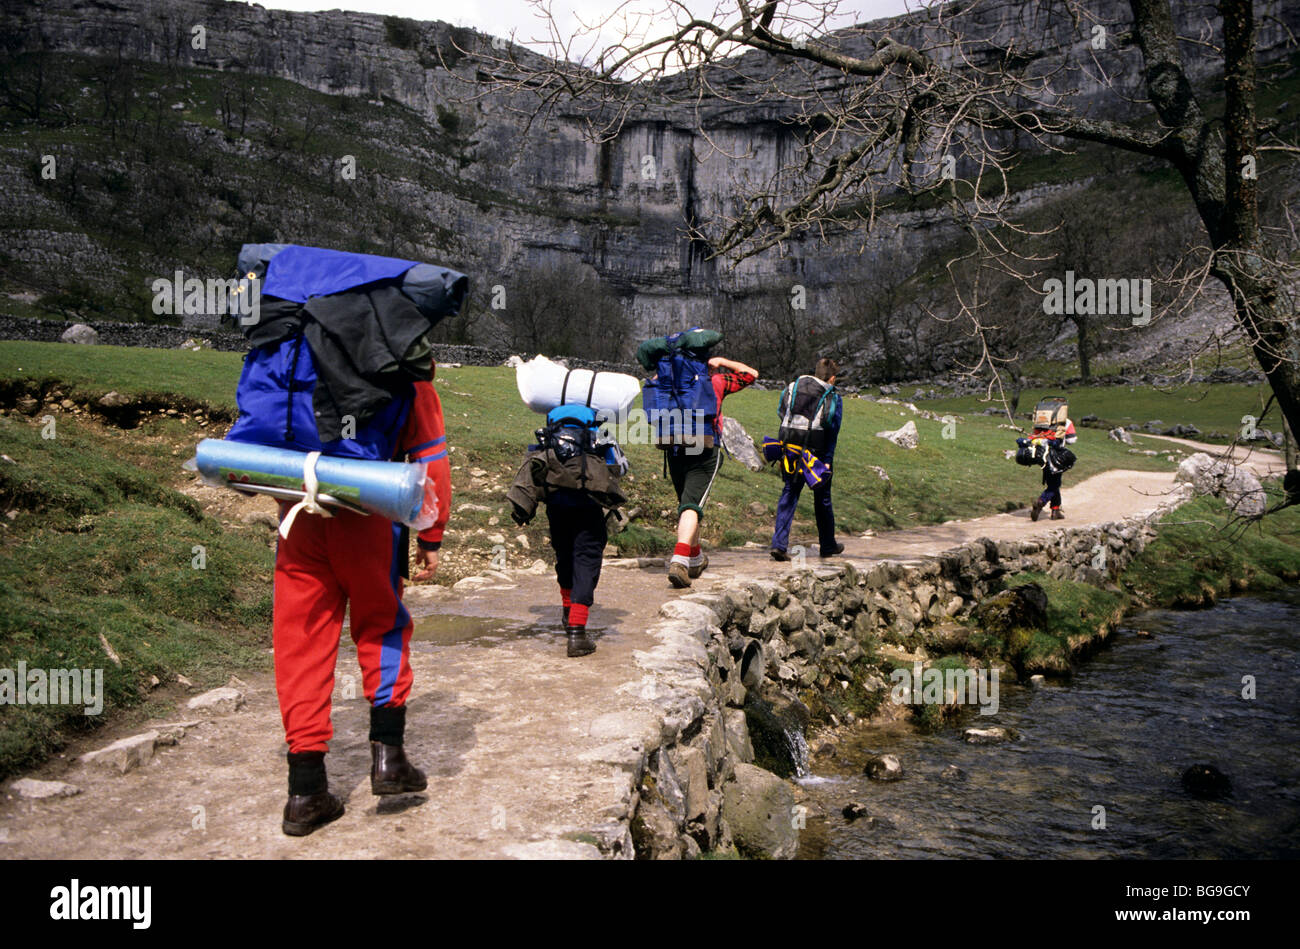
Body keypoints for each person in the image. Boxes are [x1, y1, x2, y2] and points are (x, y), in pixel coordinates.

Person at [273, 371, 451, 837]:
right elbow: (432, 457)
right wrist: (431, 534)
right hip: (371, 511)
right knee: (382, 626)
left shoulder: (295, 354)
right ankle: (389, 759)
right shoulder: (403, 366)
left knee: (300, 642)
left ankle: (305, 790)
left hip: (300, 513)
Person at [507, 404, 628, 657]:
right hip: (588, 506)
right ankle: (577, 631)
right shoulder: (600, 435)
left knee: (565, 558)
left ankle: (566, 612)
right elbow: (621, 467)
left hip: (556, 505)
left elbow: (534, 468)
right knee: (586, 562)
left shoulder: (547, 437)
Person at [666, 355, 758, 588]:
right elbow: (751, 374)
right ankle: (679, 561)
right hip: (705, 448)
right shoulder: (716, 381)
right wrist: (721, 361)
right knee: (691, 506)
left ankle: (695, 558)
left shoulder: (671, 380)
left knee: (688, 504)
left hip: (675, 448)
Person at [770, 357, 844, 560]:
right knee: (822, 499)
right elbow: (832, 431)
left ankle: (779, 544)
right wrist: (827, 459)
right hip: (816, 453)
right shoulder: (832, 396)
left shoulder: (794, 387)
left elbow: (782, 412)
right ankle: (828, 545)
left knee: (789, 493)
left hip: (791, 448)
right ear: (832, 378)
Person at [1029, 415, 1077, 521]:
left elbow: (1034, 435)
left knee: (1053, 482)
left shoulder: (1042, 418)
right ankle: (1041, 501)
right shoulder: (1066, 421)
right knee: (1055, 484)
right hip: (1056, 456)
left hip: (1040, 454)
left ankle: (1055, 510)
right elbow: (1072, 440)